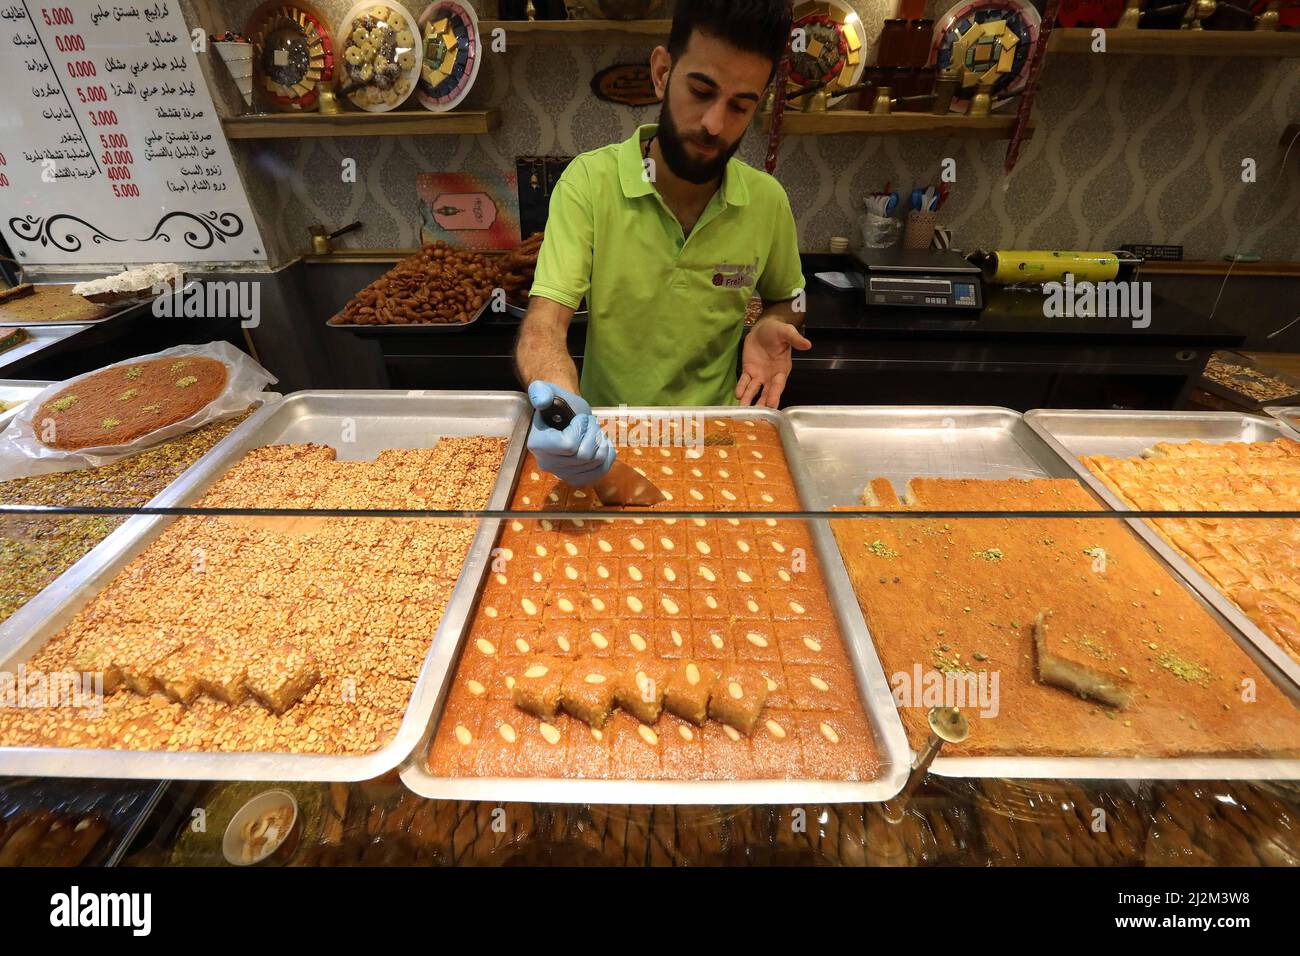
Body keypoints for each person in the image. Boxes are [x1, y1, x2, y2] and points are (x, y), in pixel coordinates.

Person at [513, 0, 811, 487]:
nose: (714, 124)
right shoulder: (589, 183)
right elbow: (544, 327)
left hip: (715, 438)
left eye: (740, 105)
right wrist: (567, 415)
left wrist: (773, 323)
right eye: (701, 91)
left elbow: (790, 297)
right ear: (661, 73)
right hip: (608, 439)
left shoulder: (767, 201)